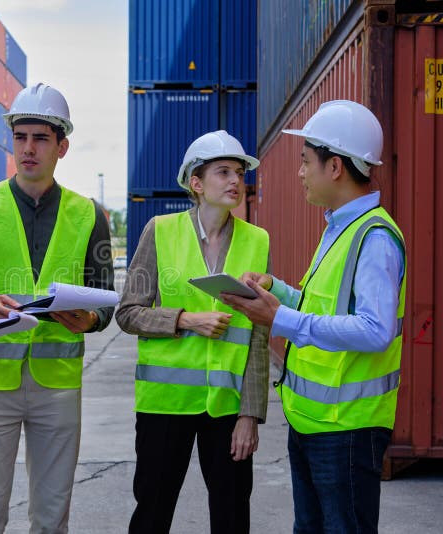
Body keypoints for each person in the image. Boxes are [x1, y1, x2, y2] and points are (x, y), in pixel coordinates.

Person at [221, 100, 405, 534]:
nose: (300, 173)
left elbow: (375, 331)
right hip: (313, 422)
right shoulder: (339, 227)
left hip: (347, 430)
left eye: (306, 163)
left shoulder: (375, 237)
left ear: (335, 166)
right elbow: (323, 305)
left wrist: (280, 318)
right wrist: (277, 289)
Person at [0, 83, 115, 533]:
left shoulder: (89, 214)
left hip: (58, 385)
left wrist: (90, 318)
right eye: (21, 137)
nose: (28, 148)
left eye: (41, 138)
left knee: (51, 516)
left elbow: (103, 293)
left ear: (61, 146)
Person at [116, 130, 270, 534]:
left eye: (239, 171)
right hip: (164, 405)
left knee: (233, 515)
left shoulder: (258, 240)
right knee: (152, 513)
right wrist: (185, 319)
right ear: (197, 184)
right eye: (224, 172)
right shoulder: (160, 230)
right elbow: (129, 312)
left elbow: (257, 335)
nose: (236, 180)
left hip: (226, 408)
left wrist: (250, 415)